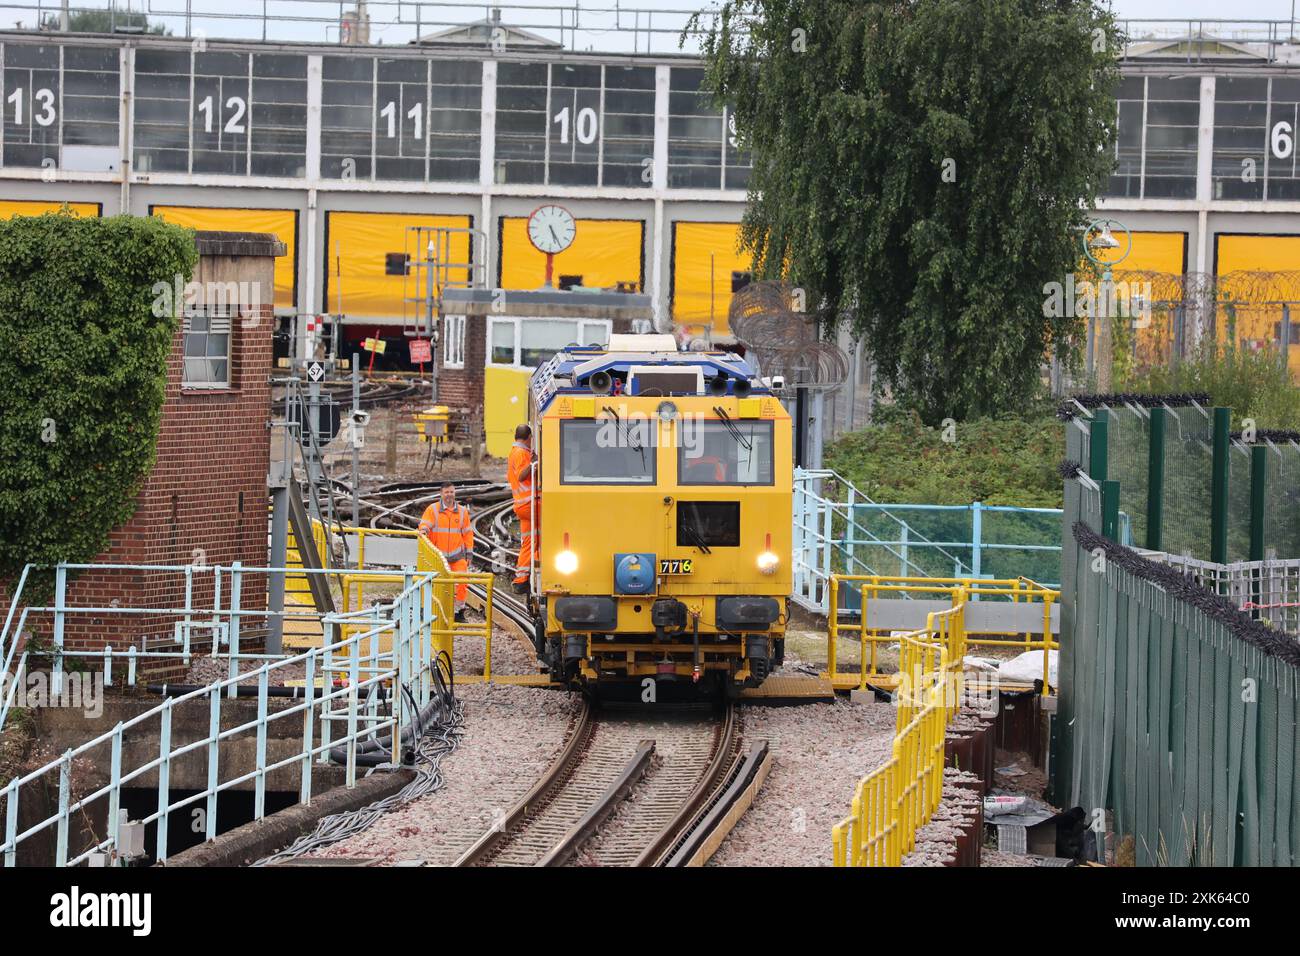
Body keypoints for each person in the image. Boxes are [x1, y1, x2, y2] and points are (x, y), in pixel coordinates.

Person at [419, 482, 474, 621]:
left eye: (452, 492)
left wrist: (469, 553)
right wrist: (424, 530)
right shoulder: (433, 509)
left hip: (457, 556)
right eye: (447, 492)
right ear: (441, 493)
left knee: (462, 581)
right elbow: (425, 523)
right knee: (434, 583)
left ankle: (458, 612)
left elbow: (467, 533)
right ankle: (428, 610)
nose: (449, 495)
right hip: (438, 556)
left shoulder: (462, 512)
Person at [508, 423, 538, 594]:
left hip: (522, 504)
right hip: (530, 504)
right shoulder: (520, 453)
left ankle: (521, 579)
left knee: (529, 542)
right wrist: (534, 463)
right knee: (539, 539)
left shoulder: (515, 452)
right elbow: (521, 475)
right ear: (529, 438)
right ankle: (533, 571)